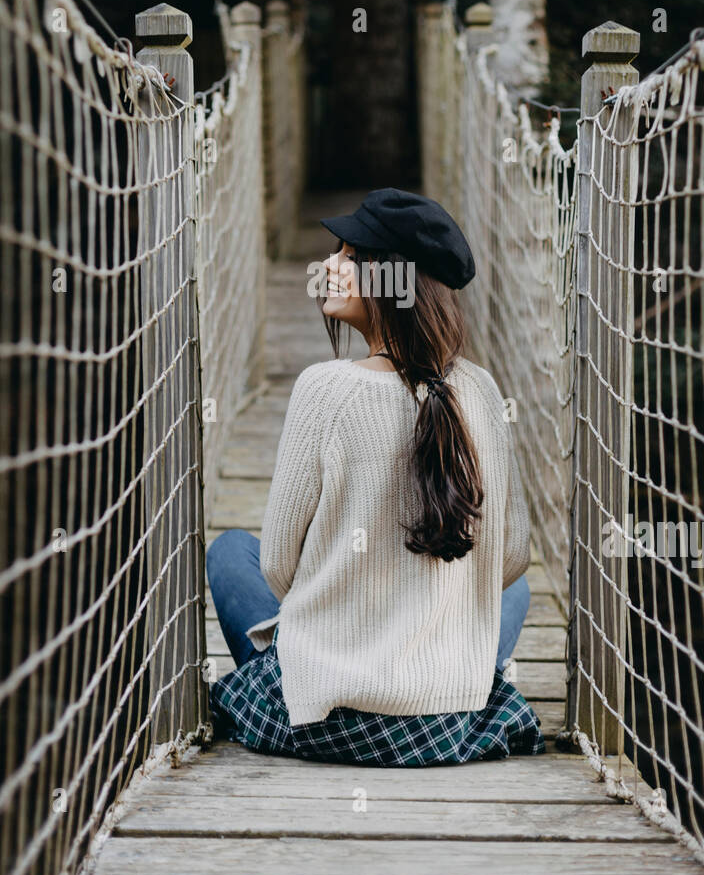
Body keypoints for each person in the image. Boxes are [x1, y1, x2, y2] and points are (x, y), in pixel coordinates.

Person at [206, 188, 544, 767]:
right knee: (515, 591)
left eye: (348, 255)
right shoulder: (482, 393)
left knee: (232, 551)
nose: (329, 267)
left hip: (329, 719)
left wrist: (349, 600)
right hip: (444, 719)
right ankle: (429, 660)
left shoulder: (325, 389)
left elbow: (280, 570)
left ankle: (352, 660)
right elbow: (509, 557)